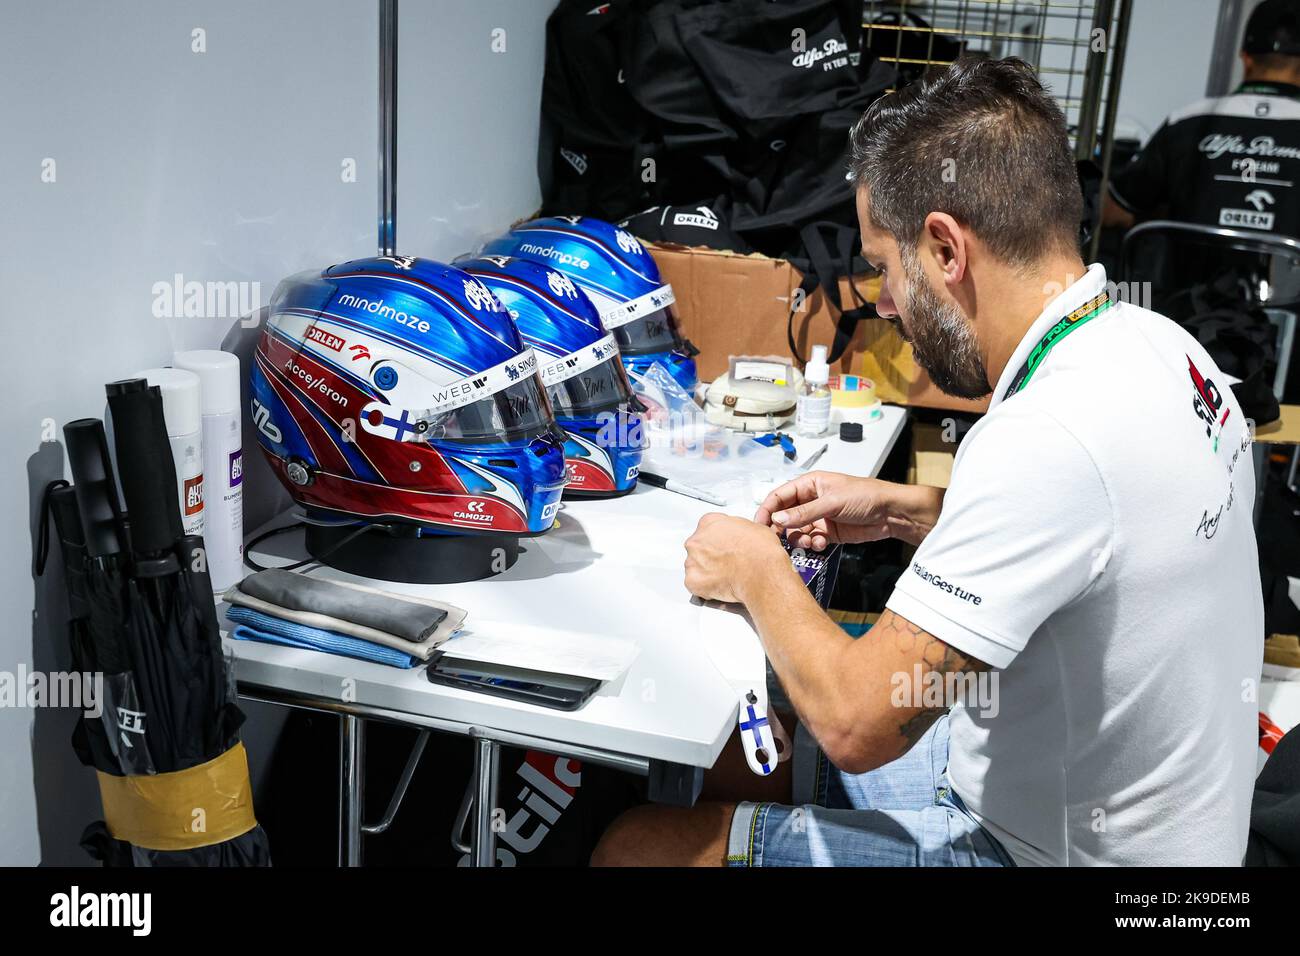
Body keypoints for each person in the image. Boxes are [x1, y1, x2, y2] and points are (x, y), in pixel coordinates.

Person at [591, 56, 1264, 867]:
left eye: (882, 265)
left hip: (1055, 854)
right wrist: (905, 509)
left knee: (640, 847)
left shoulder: (1050, 435)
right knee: (745, 747)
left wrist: (754, 570)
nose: (880, 302)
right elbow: (1111, 543)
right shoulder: (1158, 346)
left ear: (945, 248)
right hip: (1102, 804)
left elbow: (855, 725)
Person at [1103, 0, 1300, 236]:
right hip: (1288, 271)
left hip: (1188, 272)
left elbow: (1113, 211)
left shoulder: (1187, 121)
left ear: (1246, 58)